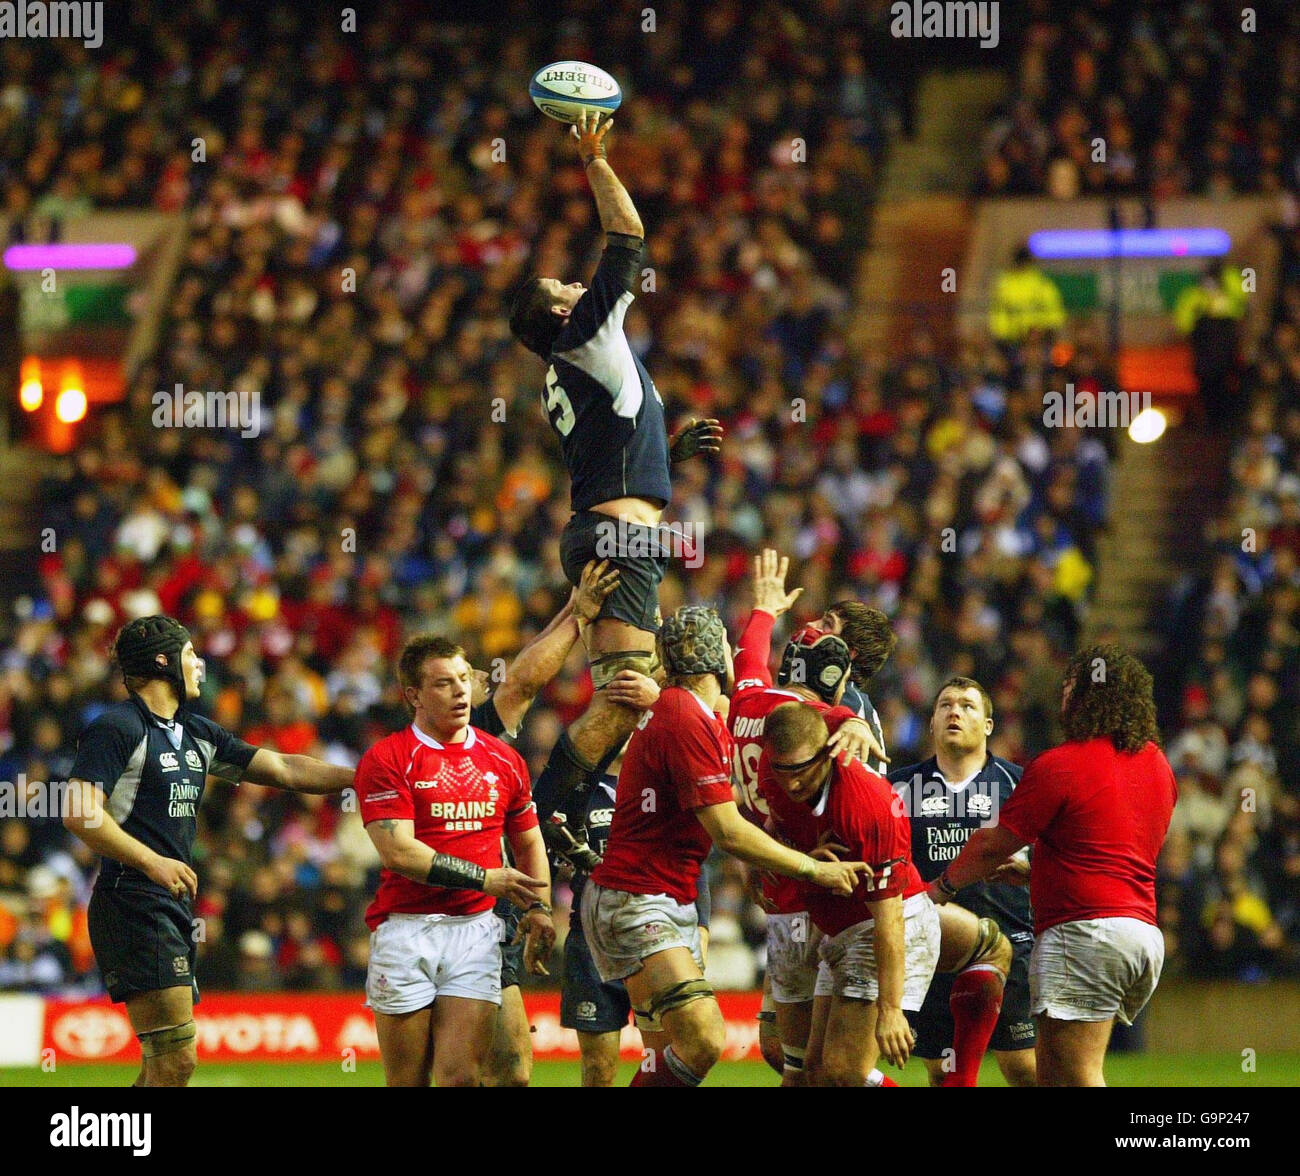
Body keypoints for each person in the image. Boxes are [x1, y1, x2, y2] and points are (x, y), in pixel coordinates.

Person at [509, 109, 722, 855]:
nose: (574, 280)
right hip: (620, 537)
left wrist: (672, 450)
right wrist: (597, 161)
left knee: (633, 692)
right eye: (562, 283)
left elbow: (614, 444)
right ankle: (544, 813)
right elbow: (628, 236)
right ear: (563, 310)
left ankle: (567, 813)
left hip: (610, 528)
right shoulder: (584, 335)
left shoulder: (566, 370)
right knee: (631, 693)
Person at [580, 605, 868, 1087]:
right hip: (637, 900)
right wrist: (810, 869)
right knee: (705, 1039)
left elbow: (756, 728)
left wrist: (846, 715)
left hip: (660, 896)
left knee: (666, 1053)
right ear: (721, 665)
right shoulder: (684, 716)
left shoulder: (703, 715)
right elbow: (728, 830)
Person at [62, 616, 354, 1087]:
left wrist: (363, 776)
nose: (200, 663)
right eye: (190, 653)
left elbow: (284, 768)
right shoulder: (116, 728)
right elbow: (78, 811)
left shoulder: (195, 731)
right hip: (132, 897)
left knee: (165, 1066)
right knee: (176, 1063)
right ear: (163, 662)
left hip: (166, 902)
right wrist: (150, 860)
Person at [928, 644, 1177, 1087]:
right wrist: (1037, 870)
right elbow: (1110, 846)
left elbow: (991, 845)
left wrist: (941, 889)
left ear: (1085, 698)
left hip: (1084, 933)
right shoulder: (1158, 764)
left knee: (1076, 1074)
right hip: (1141, 935)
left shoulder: (1060, 764)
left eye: (1068, 690)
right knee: (1054, 1076)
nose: (1062, 700)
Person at [357, 636, 555, 1087]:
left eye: (465, 680)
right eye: (444, 684)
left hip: (475, 931)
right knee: (408, 1081)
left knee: (461, 1077)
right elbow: (398, 851)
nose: (461, 692)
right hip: (406, 930)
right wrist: (486, 878)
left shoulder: (503, 758)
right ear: (414, 695)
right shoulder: (389, 758)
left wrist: (538, 907)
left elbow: (528, 842)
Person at [729, 549, 887, 1085]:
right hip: (792, 886)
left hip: (819, 893)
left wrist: (763, 611)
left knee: (808, 1065)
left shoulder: (762, 703)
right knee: (795, 1059)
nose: (812, 626)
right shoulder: (810, 713)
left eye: (827, 629)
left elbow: (749, 664)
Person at [468, 558, 621, 1088]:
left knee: (510, 1073)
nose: (473, 685)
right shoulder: (433, 746)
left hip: (491, 921)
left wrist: (576, 609)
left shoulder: (479, 738)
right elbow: (522, 683)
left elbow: (521, 681)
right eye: (461, 678)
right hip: (430, 919)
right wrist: (578, 617)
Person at [760, 702, 940, 1087]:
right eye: (781, 769)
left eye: (801, 770)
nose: (791, 782)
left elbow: (889, 917)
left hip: (886, 923)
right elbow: (802, 705)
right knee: (817, 1073)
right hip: (841, 932)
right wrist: (801, 861)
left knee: (845, 1071)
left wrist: (891, 1011)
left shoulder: (866, 804)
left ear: (827, 752)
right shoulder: (772, 765)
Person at [889, 677, 1037, 1087]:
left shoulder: (1019, 784)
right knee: (943, 1070)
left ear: (989, 726)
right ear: (933, 723)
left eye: (968, 706)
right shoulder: (897, 787)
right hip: (933, 946)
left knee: (1025, 1068)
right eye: (945, 705)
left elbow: (1052, 852)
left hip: (1011, 942)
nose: (955, 712)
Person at [555, 730, 714, 1087]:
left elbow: (693, 858)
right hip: (591, 938)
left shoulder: (662, 785)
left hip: (655, 934)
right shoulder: (574, 792)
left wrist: (702, 926)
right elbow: (543, 855)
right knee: (598, 1069)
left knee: (661, 1057)